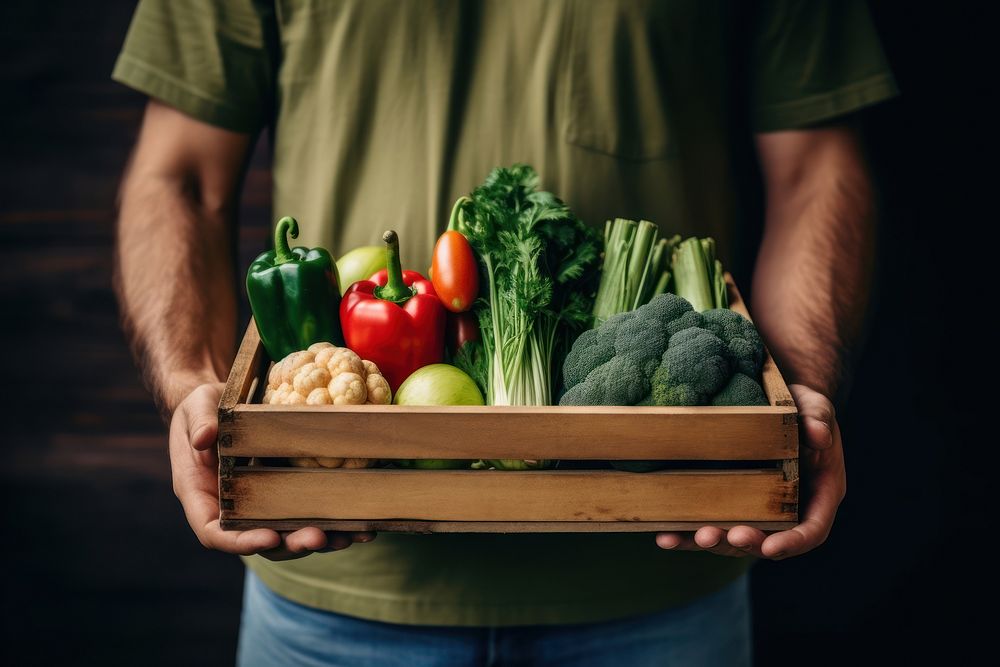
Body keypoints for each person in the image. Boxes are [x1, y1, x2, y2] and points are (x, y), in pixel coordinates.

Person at [112, 1, 896, 664]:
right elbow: (177, 173)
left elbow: (815, 166)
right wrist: (192, 386)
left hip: (666, 575)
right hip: (332, 588)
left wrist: (801, 394)